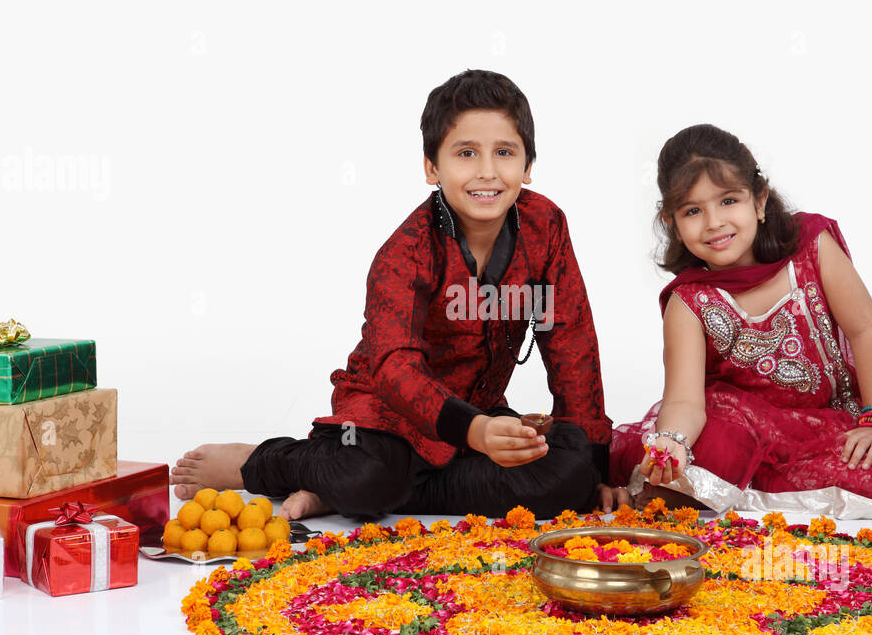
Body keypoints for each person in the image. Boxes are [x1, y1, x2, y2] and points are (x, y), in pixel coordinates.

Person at [173, 70, 618, 520]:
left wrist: (596, 468)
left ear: (526, 167)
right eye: (466, 153)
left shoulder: (546, 225)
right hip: (387, 418)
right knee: (366, 474)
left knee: (573, 474)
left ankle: (365, 489)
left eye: (504, 152)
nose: (487, 171)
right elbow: (394, 366)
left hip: (475, 417)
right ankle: (273, 462)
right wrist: (477, 433)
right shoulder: (406, 251)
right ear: (432, 167)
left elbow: (571, 341)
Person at [608, 124, 872, 518]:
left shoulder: (812, 247)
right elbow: (686, 400)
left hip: (823, 426)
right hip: (738, 427)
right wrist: (673, 442)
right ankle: (708, 486)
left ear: (759, 201)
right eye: (693, 211)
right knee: (700, 446)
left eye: (728, 201)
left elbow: (866, 331)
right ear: (671, 222)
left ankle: (729, 494)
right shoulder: (689, 300)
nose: (714, 222)